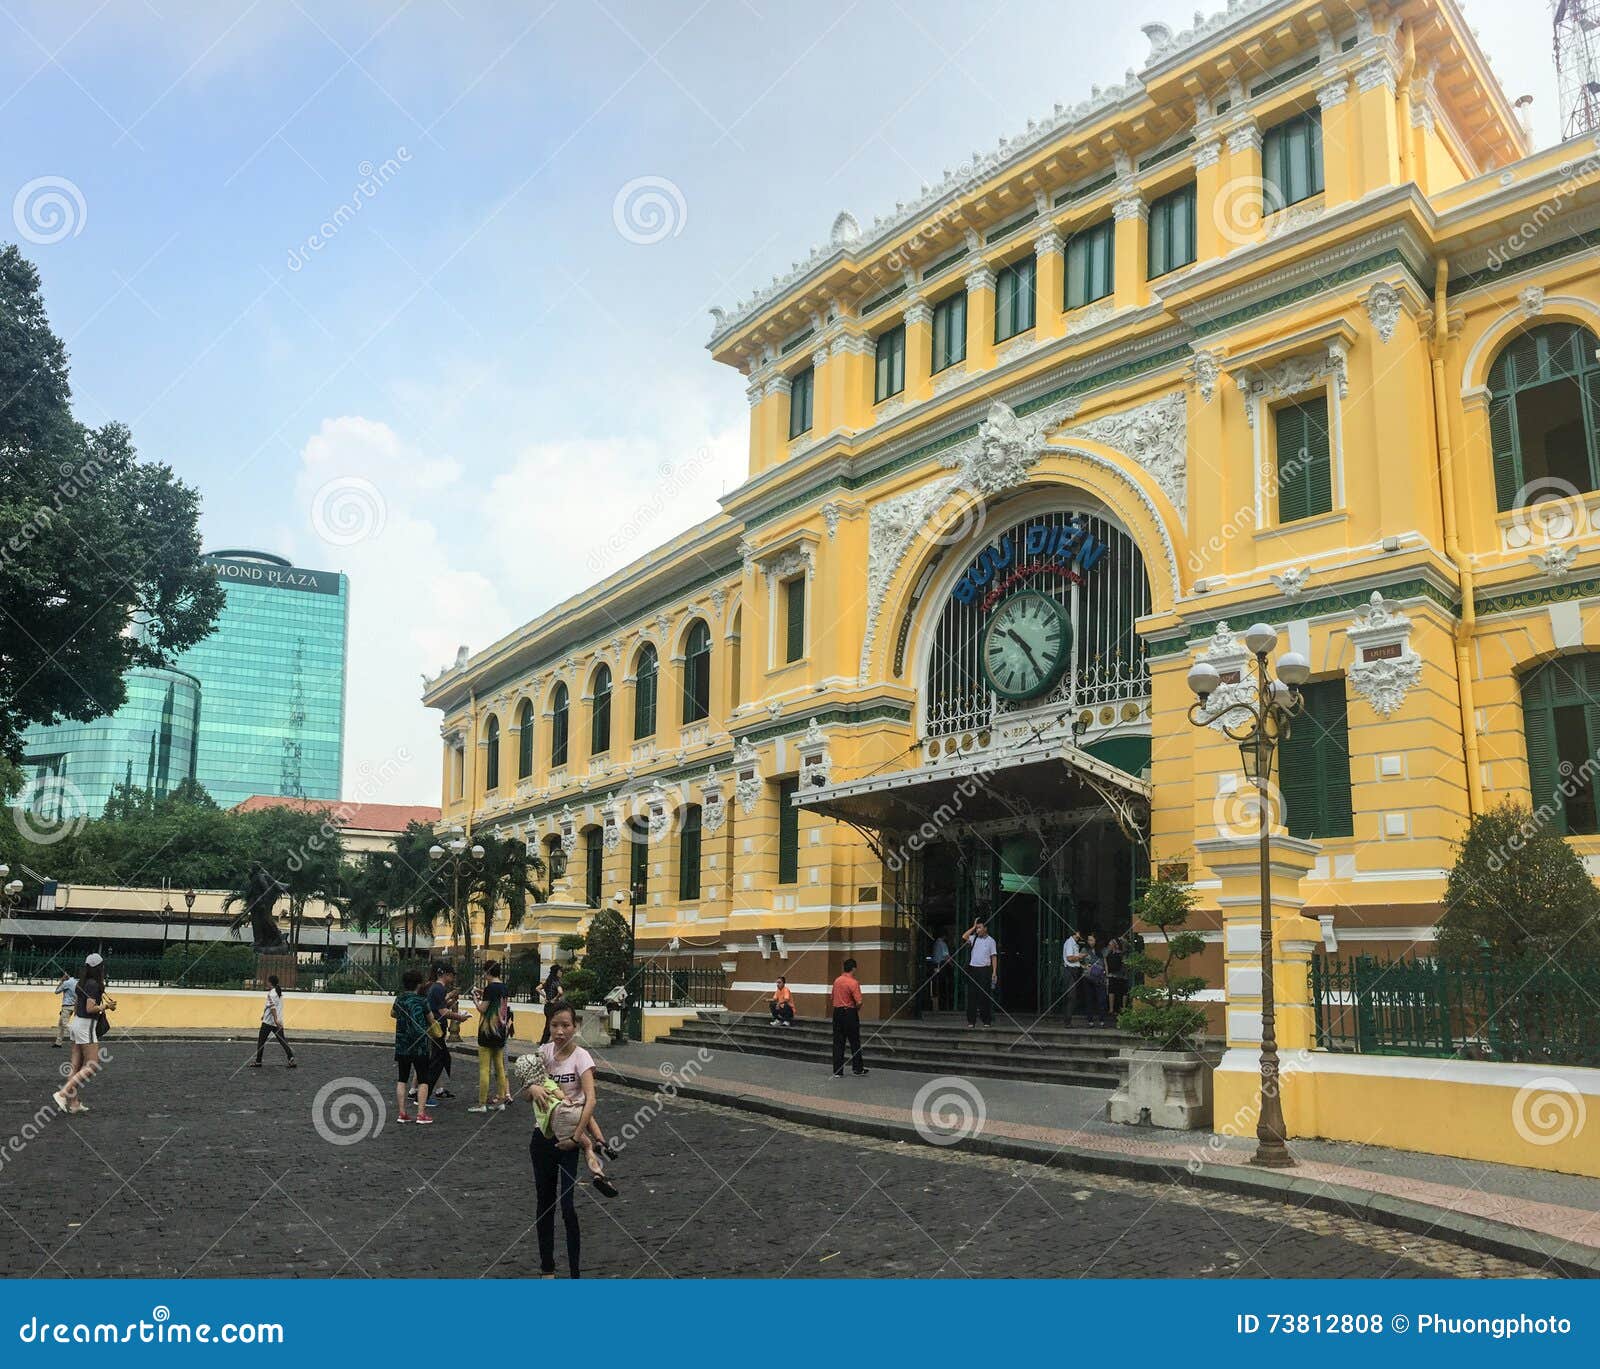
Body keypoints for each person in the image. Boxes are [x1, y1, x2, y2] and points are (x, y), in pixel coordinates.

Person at [523, 1002, 608, 1278]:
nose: (560, 1032)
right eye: (554, 1026)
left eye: (565, 1025)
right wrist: (533, 1087)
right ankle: (547, 1269)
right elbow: (527, 1090)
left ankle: (574, 1273)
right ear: (548, 1026)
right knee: (544, 1205)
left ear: (575, 1027)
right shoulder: (543, 1053)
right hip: (543, 1140)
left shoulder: (582, 1057)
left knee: (568, 1208)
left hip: (570, 1140)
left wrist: (576, 1137)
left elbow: (590, 1099)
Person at [512, 1050, 617, 1197]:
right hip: (565, 1111)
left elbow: (526, 1097)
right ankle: (600, 1145)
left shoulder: (534, 1088)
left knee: (585, 1144)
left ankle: (599, 1173)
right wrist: (567, 1099)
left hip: (558, 1121)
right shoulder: (546, 1080)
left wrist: (530, 1087)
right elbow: (560, 1095)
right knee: (586, 1118)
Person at [54, 954, 113, 1115]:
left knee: (76, 1066)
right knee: (92, 1064)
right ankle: (62, 1094)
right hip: (86, 1026)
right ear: (99, 968)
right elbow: (90, 1009)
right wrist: (106, 1006)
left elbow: (77, 1005)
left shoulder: (82, 983)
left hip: (76, 1023)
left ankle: (74, 1103)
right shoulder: (94, 985)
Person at [392, 968, 437, 1125]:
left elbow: (393, 1013)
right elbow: (431, 1020)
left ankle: (402, 1113)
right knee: (424, 1079)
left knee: (402, 1078)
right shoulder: (422, 1001)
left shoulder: (400, 999)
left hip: (402, 1044)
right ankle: (421, 1114)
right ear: (419, 984)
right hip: (420, 1046)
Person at [470, 960, 513, 1112]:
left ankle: (482, 1104)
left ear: (487, 972)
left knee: (484, 1069)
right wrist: (483, 993)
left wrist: (475, 999)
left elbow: (483, 1008)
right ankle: (501, 1101)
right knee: (500, 1067)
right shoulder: (504, 987)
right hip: (500, 1031)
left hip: (487, 1032)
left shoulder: (490, 988)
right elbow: (497, 1001)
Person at [426, 962, 468, 1099]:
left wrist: (452, 1002)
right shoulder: (439, 989)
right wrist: (459, 1017)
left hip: (436, 1026)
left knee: (440, 1059)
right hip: (438, 1027)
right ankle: (425, 1093)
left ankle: (432, 1090)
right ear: (445, 975)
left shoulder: (436, 988)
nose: (453, 979)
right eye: (451, 976)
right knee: (438, 1061)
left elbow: (441, 1006)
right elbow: (443, 1011)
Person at [829, 958, 868, 1077]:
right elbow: (859, 1001)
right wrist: (855, 1010)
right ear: (854, 968)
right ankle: (857, 1068)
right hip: (849, 1012)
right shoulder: (853, 983)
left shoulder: (837, 981)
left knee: (838, 1042)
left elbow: (832, 997)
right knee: (854, 1041)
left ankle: (838, 1071)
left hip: (837, 1012)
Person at [250, 974, 296, 1068]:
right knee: (282, 1040)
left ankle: (258, 1061)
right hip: (278, 1021)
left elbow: (272, 1008)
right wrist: (265, 1014)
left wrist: (274, 1019)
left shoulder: (271, 993)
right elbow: (272, 1006)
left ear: (270, 982)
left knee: (261, 1042)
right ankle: (290, 1058)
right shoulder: (278, 992)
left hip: (269, 1022)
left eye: (268, 981)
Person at [962, 919, 998, 1027]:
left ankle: (986, 1020)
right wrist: (973, 928)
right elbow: (964, 937)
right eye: (977, 928)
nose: (978, 930)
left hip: (984, 969)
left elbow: (994, 957)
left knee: (984, 995)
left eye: (980, 927)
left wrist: (994, 972)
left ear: (985, 928)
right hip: (973, 969)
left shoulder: (991, 941)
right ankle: (971, 1021)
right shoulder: (974, 938)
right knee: (972, 995)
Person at [1080, 933, 1109, 1027]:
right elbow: (1078, 961)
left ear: (1096, 940)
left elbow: (1105, 963)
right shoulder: (1084, 950)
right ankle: (1090, 1021)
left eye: (1091, 940)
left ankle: (1102, 1020)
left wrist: (1107, 976)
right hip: (1087, 977)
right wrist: (1084, 966)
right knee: (1089, 999)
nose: (1089, 942)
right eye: (1088, 940)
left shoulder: (1102, 950)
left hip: (1100, 977)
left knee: (1101, 999)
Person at [1061, 927, 1084, 1026]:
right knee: (1071, 996)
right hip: (1070, 971)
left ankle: (1067, 1019)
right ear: (1076, 933)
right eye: (1079, 933)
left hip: (1073, 970)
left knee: (1072, 996)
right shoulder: (1070, 943)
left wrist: (1081, 964)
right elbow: (1070, 958)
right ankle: (1067, 1021)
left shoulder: (1073, 943)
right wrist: (1080, 956)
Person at [538, 964, 565, 1046]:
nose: (561, 973)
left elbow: (537, 988)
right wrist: (555, 999)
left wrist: (545, 997)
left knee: (549, 1024)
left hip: (547, 1006)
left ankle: (545, 1042)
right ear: (556, 972)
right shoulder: (556, 982)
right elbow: (560, 992)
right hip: (554, 1006)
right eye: (560, 971)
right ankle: (545, 1043)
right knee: (551, 1025)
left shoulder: (548, 981)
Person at [1105, 936, 1129, 1022]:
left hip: (1119, 976)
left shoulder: (1118, 954)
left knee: (1119, 992)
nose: (1109, 946)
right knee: (1118, 992)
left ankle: (1118, 1008)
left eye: (1111, 944)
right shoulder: (1115, 954)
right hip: (1118, 976)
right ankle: (1118, 1008)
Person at [927, 931, 953, 1012]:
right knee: (942, 985)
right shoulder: (943, 944)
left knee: (935, 984)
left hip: (934, 965)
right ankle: (943, 1005)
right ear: (944, 936)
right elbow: (946, 956)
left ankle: (935, 1004)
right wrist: (952, 965)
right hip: (941, 965)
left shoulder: (934, 944)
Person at [52, 969, 77, 1048]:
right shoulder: (76, 982)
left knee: (64, 1024)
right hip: (73, 1006)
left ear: (66, 974)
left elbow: (56, 991)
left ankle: (77, 1036)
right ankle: (58, 1042)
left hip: (67, 1006)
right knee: (61, 1024)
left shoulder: (67, 983)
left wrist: (62, 981)